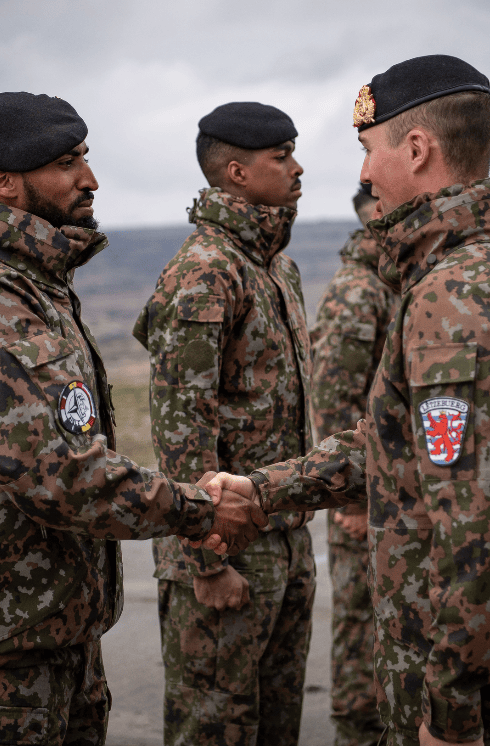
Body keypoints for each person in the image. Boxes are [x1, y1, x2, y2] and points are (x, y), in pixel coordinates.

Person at [205, 55, 490, 746]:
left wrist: (449, 711)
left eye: (368, 149)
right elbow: (400, 441)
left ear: (416, 150)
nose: (363, 174)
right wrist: (263, 489)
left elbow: (480, 526)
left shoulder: (457, 294)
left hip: (488, 702)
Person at [0, 92, 265, 746]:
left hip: (46, 629)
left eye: (84, 157)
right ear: (4, 182)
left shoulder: (34, 284)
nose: (89, 179)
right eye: (66, 164)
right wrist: (201, 509)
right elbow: (68, 478)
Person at [132, 101, 316, 746]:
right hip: (225, 546)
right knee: (213, 727)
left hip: (283, 536)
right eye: (281, 157)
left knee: (276, 726)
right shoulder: (206, 271)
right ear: (236, 172)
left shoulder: (275, 267)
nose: (298, 168)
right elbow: (182, 425)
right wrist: (203, 560)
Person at [308, 182, 394, 746]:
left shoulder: (387, 282)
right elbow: (334, 400)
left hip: (383, 486)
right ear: (372, 216)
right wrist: (350, 497)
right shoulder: (358, 290)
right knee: (361, 615)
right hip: (360, 491)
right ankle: (355, 730)